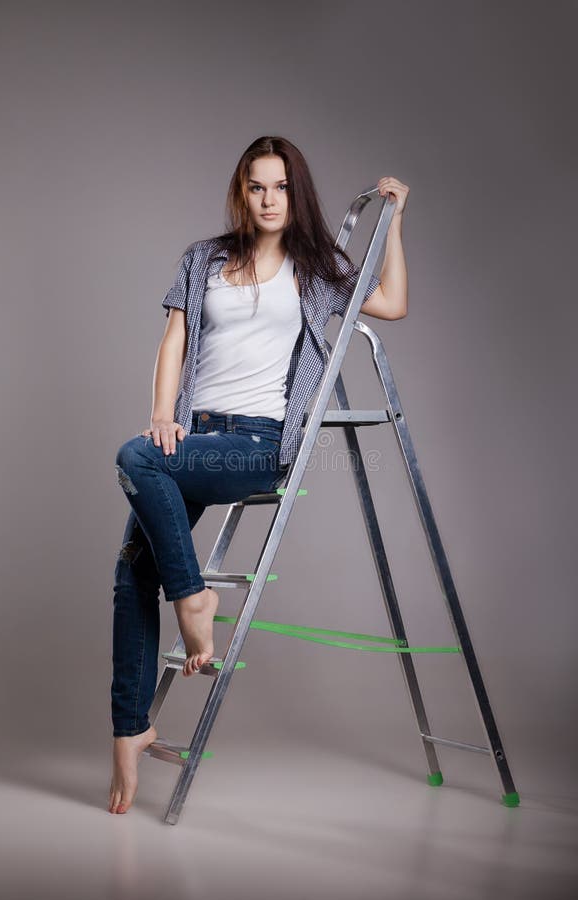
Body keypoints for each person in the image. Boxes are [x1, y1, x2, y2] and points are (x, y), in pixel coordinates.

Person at [108, 135, 409, 814]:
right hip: (193, 434)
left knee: (135, 458)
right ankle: (130, 729)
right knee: (132, 569)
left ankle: (194, 603)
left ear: (295, 193)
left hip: (256, 444)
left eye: (280, 187)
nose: (269, 200)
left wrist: (397, 222)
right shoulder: (203, 259)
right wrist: (162, 413)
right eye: (256, 187)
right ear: (242, 192)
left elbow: (390, 302)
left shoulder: (316, 269)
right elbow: (174, 339)